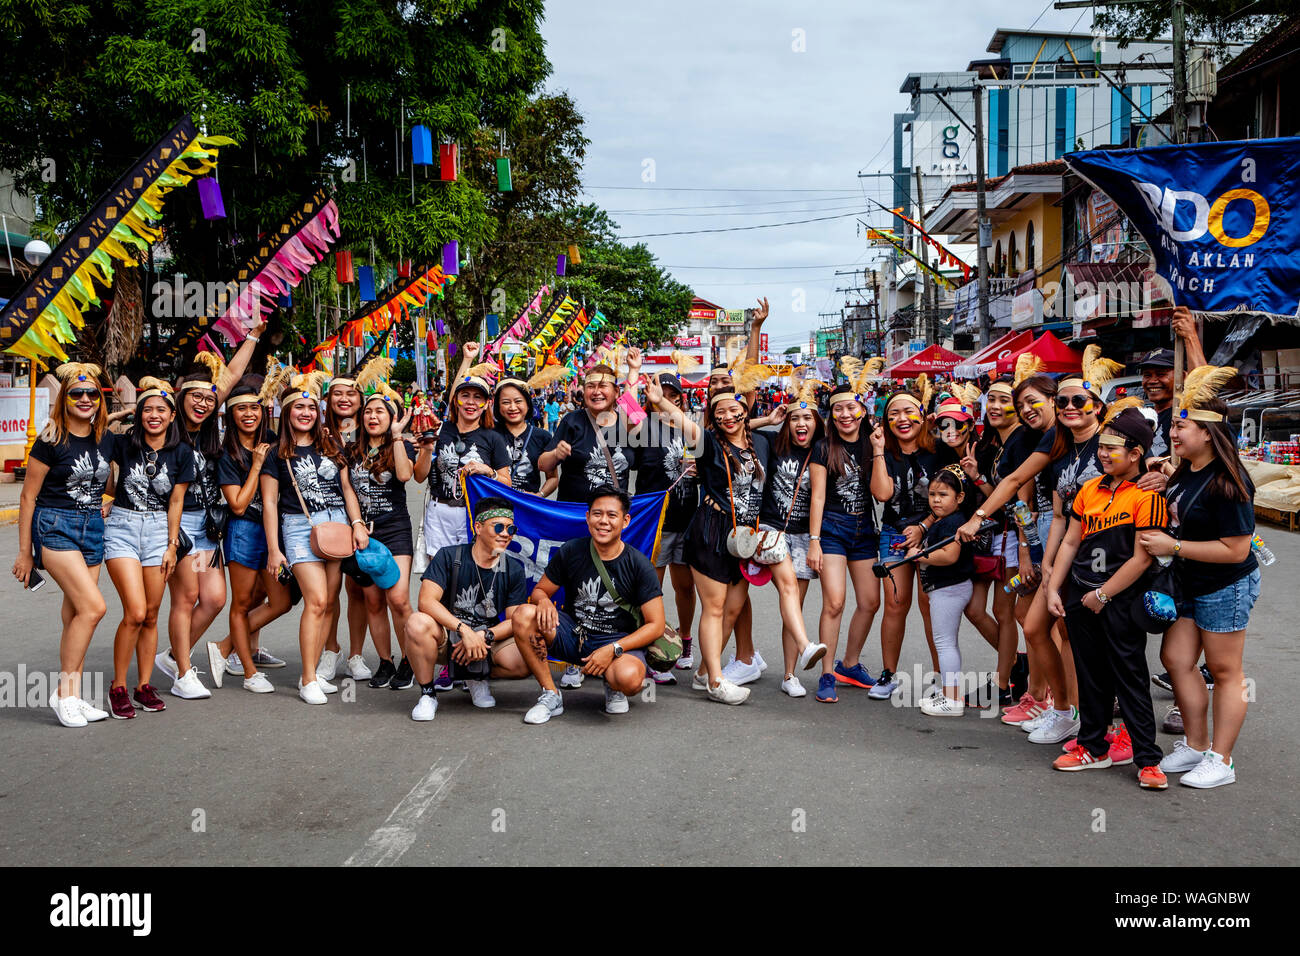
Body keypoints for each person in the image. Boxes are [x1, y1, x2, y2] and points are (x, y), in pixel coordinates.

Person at [1145, 372, 1257, 789]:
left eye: (1180, 425)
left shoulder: (1229, 483)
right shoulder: (1188, 470)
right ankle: (1195, 744)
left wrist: (1171, 548)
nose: (1171, 431)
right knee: (1175, 660)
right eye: (1172, 424)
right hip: (1189, 582)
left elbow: (1237, 550)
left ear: (1208, 433)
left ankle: (1221, 759)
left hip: (1225, 585)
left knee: (1226, 672)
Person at [1047, 406, 1169, 790]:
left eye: (1113, 448)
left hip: (1121, 599)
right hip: (1081, 596)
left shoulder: (1147, 495)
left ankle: (1148, 759)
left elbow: (1142, 557)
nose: (1103, 454)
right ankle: (1093, 747)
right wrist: (1054, 587)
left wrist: (1103, 593)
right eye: (1101, 447)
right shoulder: (1089, 489)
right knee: (1091, 675)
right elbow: (1070, 541)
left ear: (1136, 453)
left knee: (1129, 677)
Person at [13, 363, 117, 726]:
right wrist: (26, 552)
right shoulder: (51, 438)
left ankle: (74, 695)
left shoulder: (106, 437)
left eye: (92, 394)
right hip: (56, 526)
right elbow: (27, 498)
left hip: (93, 528)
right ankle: (64, 694)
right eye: (77, 394)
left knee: (76, 614)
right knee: (94, 608)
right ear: (64, 398)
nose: (85, 399)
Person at [155, 333, 261, 691]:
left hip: (207, 528)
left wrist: (252, 337)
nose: (202, 403)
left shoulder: (210, 433)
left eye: (207, 398)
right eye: (194, 396)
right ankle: (183, 673)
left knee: (214, 599)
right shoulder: (168, 431)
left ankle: (172, 655)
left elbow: (229, 376)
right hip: (178, 527)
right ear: (180, 399)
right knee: (185, 597)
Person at [511, 486, 666, 723]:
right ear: (587, 517)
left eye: (611, 515)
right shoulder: (572, 550)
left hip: (616, 641)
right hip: (575, 634)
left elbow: (656, 625)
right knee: (524, 614)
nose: (603, 521)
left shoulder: (638, 564)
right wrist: (542, 602)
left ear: (625, 521)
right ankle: (550, 694)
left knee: (630, 680)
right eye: (597, 513)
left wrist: (613, 649)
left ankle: (612, 684)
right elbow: (541, 590)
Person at [261, 370, 370, 705]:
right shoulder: (276, 454)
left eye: (310, 408)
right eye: (297, 408)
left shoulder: (331, 444)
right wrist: (274, 550)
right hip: (299, 528)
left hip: (337, 527)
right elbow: (269, 503)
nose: (305, 413)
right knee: (317, 601)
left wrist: (357, 523)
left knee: (328, 603)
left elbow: (347, 489)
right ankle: (308, 677)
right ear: (287, 413)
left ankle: (310, 671)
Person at [102, 377, 196, 709]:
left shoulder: (183, 452)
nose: (153, 415)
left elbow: (176, 502)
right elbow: (96, 427)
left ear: (172, 415)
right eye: (147, 409)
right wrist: (124, 411)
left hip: (159, 532)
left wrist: (172, 545)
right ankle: (118, 687)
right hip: (123, 527)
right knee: (135, 611)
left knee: (152, 614)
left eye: (161, 410)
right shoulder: (124, 443)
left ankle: (143, 685)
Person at [679, 387, 770, 705]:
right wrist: (661, 401)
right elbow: (682, 422)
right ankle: (716, 681)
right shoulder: (707, 443)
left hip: (745, 538)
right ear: (712, 418)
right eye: (719, 413)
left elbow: (749, 383)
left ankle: (705, 670)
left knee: (733, 609)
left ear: (746, 412)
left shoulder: (762, 442)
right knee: (715, 608)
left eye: (734, 410)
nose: (727, 417)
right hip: (710, 533)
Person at [403, 497, 531, 720]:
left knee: (522, 659)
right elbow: (426, 601)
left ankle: (475, 676)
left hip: (485, 642)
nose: (505, 533)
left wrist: (484, 635)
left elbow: (515, 620)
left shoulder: (513, 568)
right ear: (478, 527)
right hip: (448, 635)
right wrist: (464, 630)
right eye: (498, 527)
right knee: (417, 623)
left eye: (511, 528)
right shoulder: (449, 555)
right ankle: (427, 694)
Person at [808, 368, 883, 703]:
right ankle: (826, 673)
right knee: (835, 602)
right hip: (833, 531)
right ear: (831, 415)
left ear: (862, 411)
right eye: (837, 409)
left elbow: (881, 494)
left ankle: (849, 664)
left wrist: (879, 450)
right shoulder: (823, 448)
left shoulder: (873, 444)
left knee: (870, 602)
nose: (845, 414)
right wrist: (814, 541)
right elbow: (818, 496)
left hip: (865, 531)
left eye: (850, 408)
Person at [214, 380, 291, 693]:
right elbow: (238, 504)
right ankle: (248, 671)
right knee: (242, 603)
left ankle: (222, 648)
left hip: (273, 532)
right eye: (241, 408)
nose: (248, 414)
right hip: (243, 531)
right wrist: (257, 464)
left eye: (254, 408)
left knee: (281, 601)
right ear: (231, 414)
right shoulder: (226, 453)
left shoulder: (274, 439)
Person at [755, 383, 830, 697]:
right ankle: (805, 646)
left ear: (816, 422)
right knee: (788, 590)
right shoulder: (774, 442)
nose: (801, 424)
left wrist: (814, 541)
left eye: (808, 418)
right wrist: (768, 420)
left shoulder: (822, 450)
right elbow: (729, 427)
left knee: (794, 606)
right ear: (787, 421)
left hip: (802, 535)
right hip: (771, 531)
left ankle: (789, 675)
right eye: (795, 418)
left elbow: (818, 499)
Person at [348, 370, 418, 690]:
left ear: (391, 417)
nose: (372, 416)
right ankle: (385, 661)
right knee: (373, 601)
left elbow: (405, 476)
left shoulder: (399, 446)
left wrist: (398, 436)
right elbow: (348, 491)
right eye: (368, 410)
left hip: (396, 530)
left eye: (380, 411)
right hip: (365, 535)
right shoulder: (352, 452)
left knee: (399, 599)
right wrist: (357, 525)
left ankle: (409, 659)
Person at [868, 383, 938, 700]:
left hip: (932, 536)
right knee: (895, 605)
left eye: (909, 411)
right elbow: (882, 494)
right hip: (894, 535)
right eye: (893, 413)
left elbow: (952, 502)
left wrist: (923, 527)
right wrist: (879, 450)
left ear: (922, 417)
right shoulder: (885, 452)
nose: (902, 418)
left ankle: (941, 676)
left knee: (930, 606)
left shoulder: (937, 452)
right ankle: (888, 674)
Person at [629, 372, 699, 685]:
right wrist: (633, 373)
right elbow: (626, 409)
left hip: (686, 522)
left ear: (680, 399)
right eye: (659, 393)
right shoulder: (642, 427)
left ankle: (685, 643)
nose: (665, 398)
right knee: (651, 590)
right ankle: (651, 649)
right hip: (653, 525)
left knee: (685, 587)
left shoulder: (689, 429)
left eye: (671, 394)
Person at [414, 368, 511, 560]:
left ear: (486, 405)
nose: (471, 402)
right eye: (464, 396)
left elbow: (506, 483)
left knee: (471, 574)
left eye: (478, 397)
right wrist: (426, 450)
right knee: (440, 574)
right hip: (439, 512)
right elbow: (418, 476)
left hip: (476, 516)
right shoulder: (440, 430)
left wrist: (488, 471)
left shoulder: (494, 438)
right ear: (455, 401)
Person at [910, 465, 976, 717]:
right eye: (932, 494)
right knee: (946, 642)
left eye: (943, 495)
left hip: (949, 589)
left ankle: (952, 699)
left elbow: (950, 555)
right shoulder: (947, 521)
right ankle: (950, 693)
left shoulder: (953, 523)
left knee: (945, 643)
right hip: (947, 589)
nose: (936, 500)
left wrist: (920, 555)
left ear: (959, 497)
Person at [538, 364, 632, 502]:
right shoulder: (572, 421)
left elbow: (635, 412)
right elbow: (542, 465)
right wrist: (556, 454)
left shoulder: (628, 424)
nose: (596, 391)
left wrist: (634, 370)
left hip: (611, 515)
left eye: (602, 386)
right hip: (574, 515)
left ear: (616, 391)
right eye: (591, 386)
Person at [493, 376, 556, 497]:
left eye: (518, 401)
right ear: (498, 406)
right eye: (506, 402)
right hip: (494, 507)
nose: (512, 407)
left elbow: (552, 478)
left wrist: (539, 495)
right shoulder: (489, 433)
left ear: (527, 403)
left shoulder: (543, 437)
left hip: (527, 507)